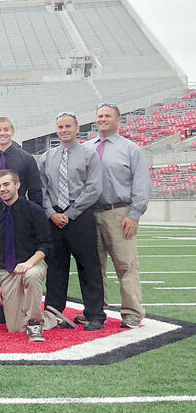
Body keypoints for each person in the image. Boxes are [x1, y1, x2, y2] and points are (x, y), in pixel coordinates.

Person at [84, 103, 151, 328]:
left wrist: (134, 214)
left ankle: (132, 311)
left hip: (119, 212)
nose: (102, 119)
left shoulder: (130, 149)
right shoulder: (86, 147)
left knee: (126, 265)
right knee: (94, 266)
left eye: (107, 116)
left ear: (118, 120)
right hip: (90, 213)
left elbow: (142, 183)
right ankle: (96, 310)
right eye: (99, 115)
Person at [39, 113, 105, 331]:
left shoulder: (89, 154)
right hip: (54, 218)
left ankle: (94, 314)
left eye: (68, 126)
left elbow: (94, 188)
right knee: (56, 268)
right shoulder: (47, 157)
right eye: (60, 127)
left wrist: (71, 213)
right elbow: (43, 189)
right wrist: (51, 213)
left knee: (88, 266)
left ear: (77, 129)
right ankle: (54, 314)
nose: (64, 130)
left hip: (80, 216)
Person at [0, 170, 50, 341]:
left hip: (32, 264)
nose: (2, 189)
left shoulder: (34, 211)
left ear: (17, 185)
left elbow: (46, 244)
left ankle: (35, 323)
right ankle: (51, 318)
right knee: (15, 328)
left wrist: (29, 263)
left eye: (6, 184)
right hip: (7, 271)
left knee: (32, 275)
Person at [0, 117, 42, 209]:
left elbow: (35, 191)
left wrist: (35, 213)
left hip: (20, 212)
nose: (2, 133)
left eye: (6, 130)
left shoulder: (27, 159)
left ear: (12, 132)